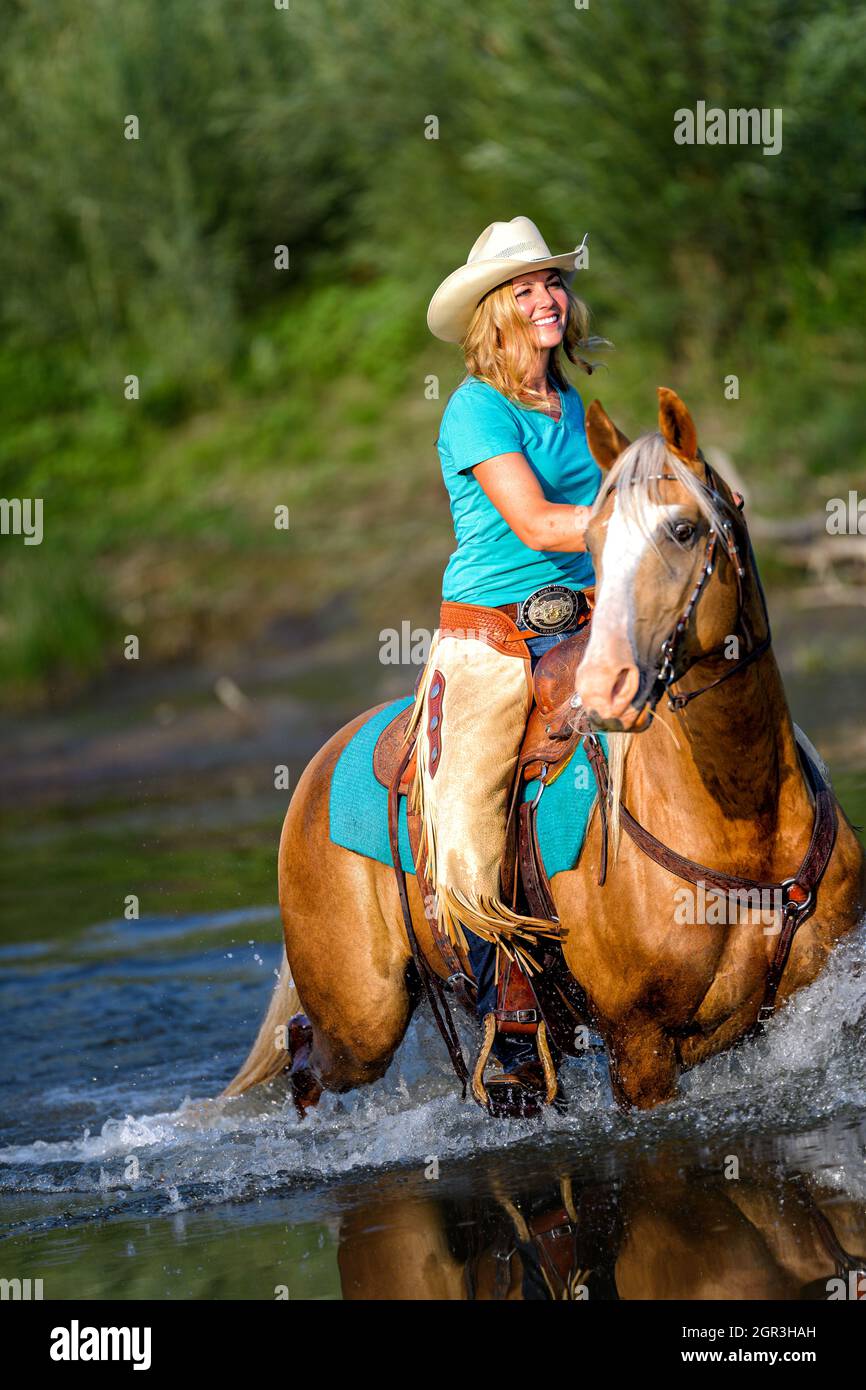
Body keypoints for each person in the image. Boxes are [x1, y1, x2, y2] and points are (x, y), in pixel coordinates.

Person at [405, 215, 606, 1075]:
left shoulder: (581, 409)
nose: (545, 298)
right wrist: (641, 514)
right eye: (522, 289)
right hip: (493, 640)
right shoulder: (475, 409)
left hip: (592, 618)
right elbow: (535, 520)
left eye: (552, 282)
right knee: (465, 831)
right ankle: (508, 1014)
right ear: (494, 314)